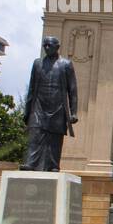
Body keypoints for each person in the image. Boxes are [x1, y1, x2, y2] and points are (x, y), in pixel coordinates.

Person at [22, 36, 79, 171]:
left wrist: (73, 112)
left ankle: (54, 165)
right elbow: (31, 88)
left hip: (58, 107)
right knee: (35, 134)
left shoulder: (66, 64)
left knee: (54, 138)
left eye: (50, 45)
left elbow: (72, 90)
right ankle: (31, 163)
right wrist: (27, 111)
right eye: (45, 45)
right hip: (39, 106)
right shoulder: (37, 64)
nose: (47, 48)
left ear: (57, 47)